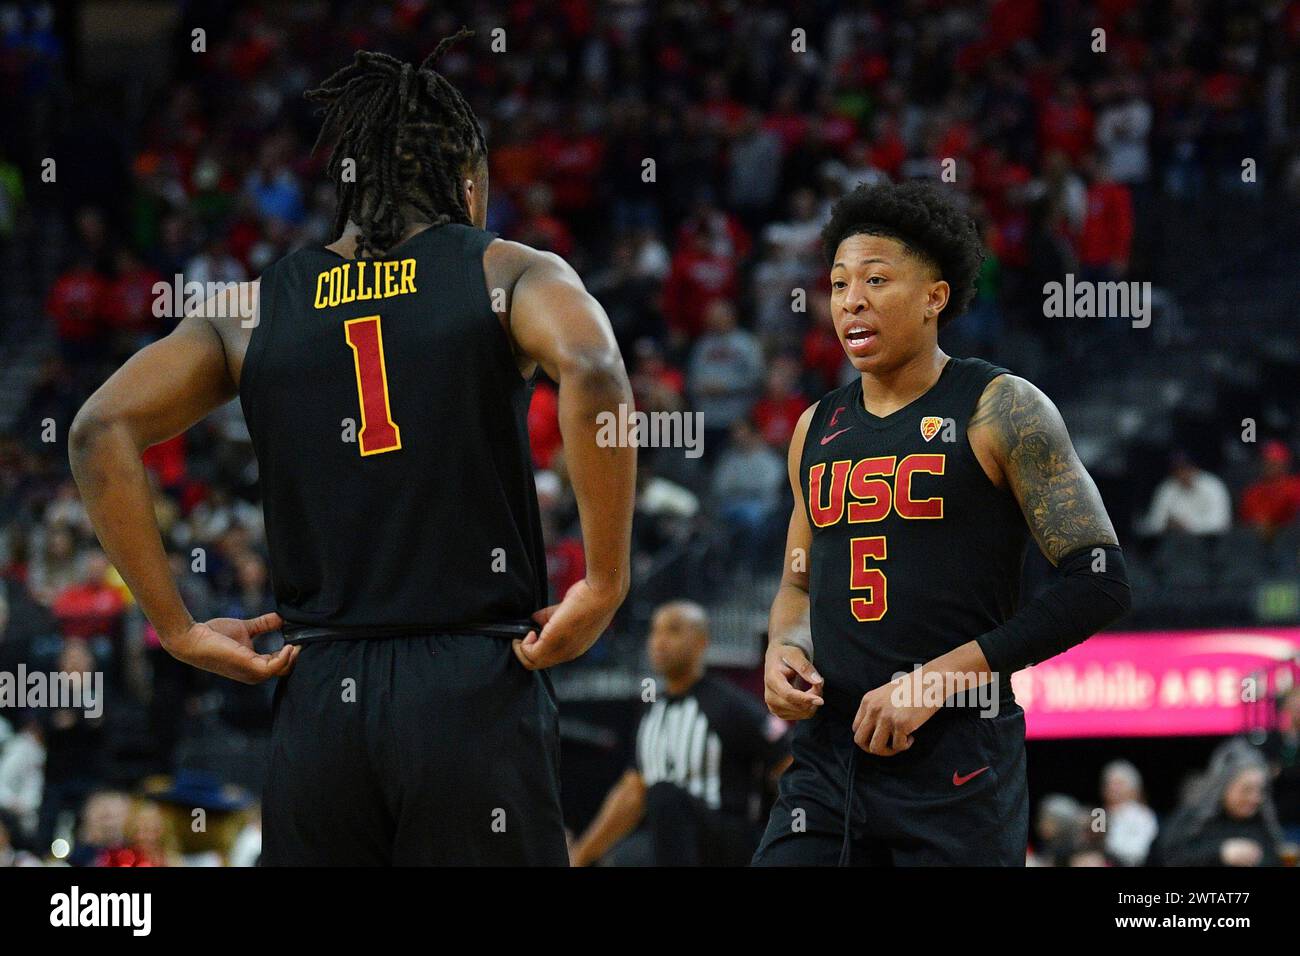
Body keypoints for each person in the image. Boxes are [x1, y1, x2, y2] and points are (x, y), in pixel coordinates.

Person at [68, 33, 636, 866]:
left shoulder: (255, 306)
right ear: (468, 183)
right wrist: (608, 578)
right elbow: (593, 367)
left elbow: (95, 429)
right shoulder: (506, 271)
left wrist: (178, 628)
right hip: (472, 680)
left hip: (318, 694)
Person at [752, 181, 1131, 866]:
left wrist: (931, 682)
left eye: (875, 280)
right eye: (838, 284)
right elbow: (799, 587)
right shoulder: (816, 427)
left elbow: (1099, 582)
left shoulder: (1001, 408)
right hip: (830, 762)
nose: (851, 302)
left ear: (936, 296)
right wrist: (783, 648)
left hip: (960, 761)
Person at [569, 601, 789, 866]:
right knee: (622, 857)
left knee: (664, 794)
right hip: (672, 843)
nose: (659, 641)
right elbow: (631, 793)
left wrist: (782, 846)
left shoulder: (731, 705)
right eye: (654, 631)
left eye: (673, 630)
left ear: (701, 642)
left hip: (730, 843)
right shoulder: (651, 711)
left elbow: (788, 765)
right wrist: (580, 855)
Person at [1153, 738, 1285, 867]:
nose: (1255, 797)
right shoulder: (1192, 820)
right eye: (1246, 790)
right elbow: (1168, 857)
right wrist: (1220, 853)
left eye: (1260, 790)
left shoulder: (1263, 824)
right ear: (1223, 786)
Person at [1139, 451, 1232, 536]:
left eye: (1185, 467)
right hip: (1173, 543)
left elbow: (1220, 523)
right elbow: (1153, 524)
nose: (1182, 472)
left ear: (1194, 467)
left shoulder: (1213, 485)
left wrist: (1187, 526)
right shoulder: (1167, 488)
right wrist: (1167, 525)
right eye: (1177, 469)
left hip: (1210, 544)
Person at [1100, 759, 1158, 866]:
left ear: (1133, 789)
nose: (1113, 788)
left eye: (1119, 784)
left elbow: (1140, 850)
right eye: (1110, 783)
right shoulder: (1099, 814)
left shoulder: (1143, 816)